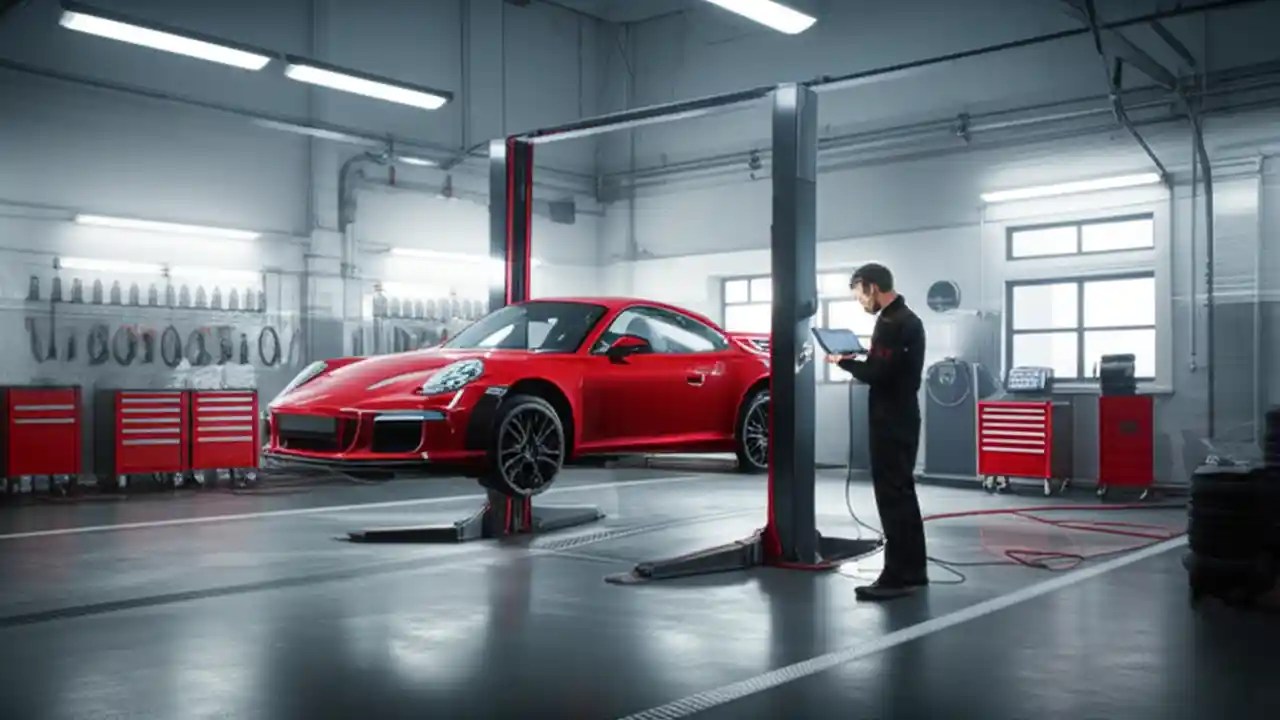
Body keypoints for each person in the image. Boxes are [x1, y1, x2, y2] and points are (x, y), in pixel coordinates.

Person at [826, 263, 929, 600]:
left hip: (889, 420)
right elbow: (889, 367)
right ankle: (913, 572)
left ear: (871, 287)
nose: (860, 302)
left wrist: (843, 361)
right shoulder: (908, 318)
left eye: (859, 295)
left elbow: (878, 374)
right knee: (903, 494)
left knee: (891, 497)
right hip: (905, 415)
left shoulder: (889, 323)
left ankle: (897, 576)